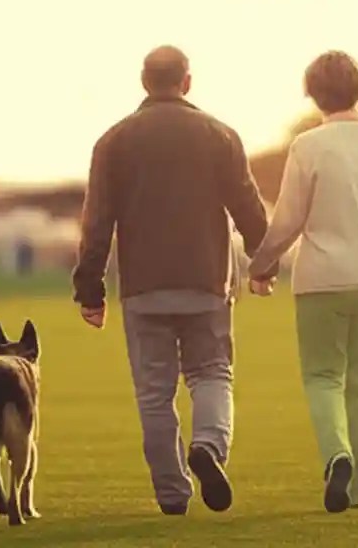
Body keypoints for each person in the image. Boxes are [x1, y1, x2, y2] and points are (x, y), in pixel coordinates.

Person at [72, 45, 271, 516]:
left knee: (154, 394)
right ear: (187, 82)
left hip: (143, 287)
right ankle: (208, 447)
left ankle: (172, 495)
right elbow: (248, 207)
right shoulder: (220, 135)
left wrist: (90, 289)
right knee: (211, 373)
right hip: (206, 281)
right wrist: (265, 262)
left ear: (144, 83)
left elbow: (96, 221)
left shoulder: (113, 142)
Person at [247, 50, 358, 514]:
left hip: (321, 279)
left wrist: (261, 265)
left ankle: (335, 456)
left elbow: (287, 220)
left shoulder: (308, 146)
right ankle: (357, 488)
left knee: (322, 377)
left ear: (313, 94)